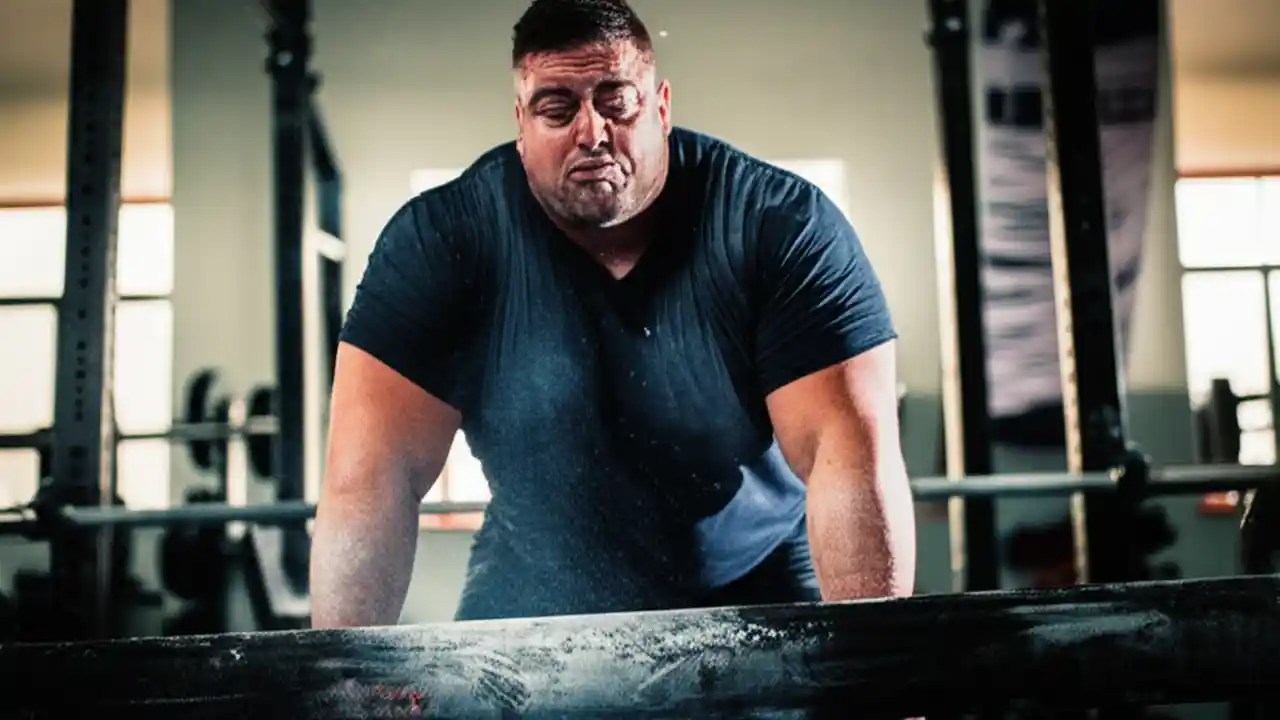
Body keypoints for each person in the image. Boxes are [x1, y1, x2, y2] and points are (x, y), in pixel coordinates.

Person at [309, 0, 916, 626]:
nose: (592, 133)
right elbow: (370, 484)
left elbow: (846, 461)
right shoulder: (442, 244)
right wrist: (343, 688)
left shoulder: (780, 227)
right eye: (557, 108)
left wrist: (884, 682)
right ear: (521, 123)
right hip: (533, 582)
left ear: (660, 106)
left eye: (616, 100)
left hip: (756, 572)